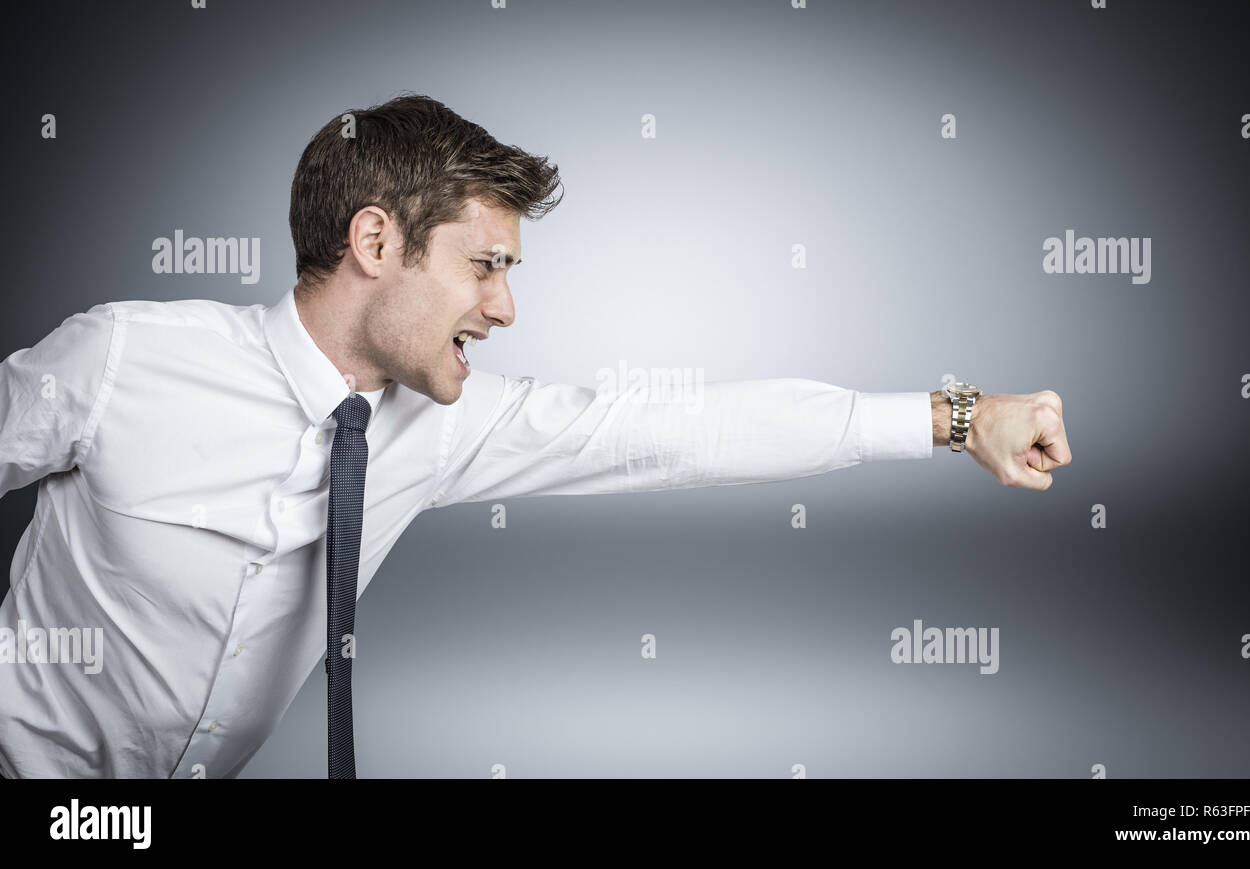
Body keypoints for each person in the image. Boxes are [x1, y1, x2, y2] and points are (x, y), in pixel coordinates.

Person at [0, 94, 1071, 779]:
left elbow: (678, 428)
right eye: (487, 264)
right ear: (376, 239)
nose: (505, 309)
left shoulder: (441, 426)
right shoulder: (123, 359)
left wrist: (960, 417)